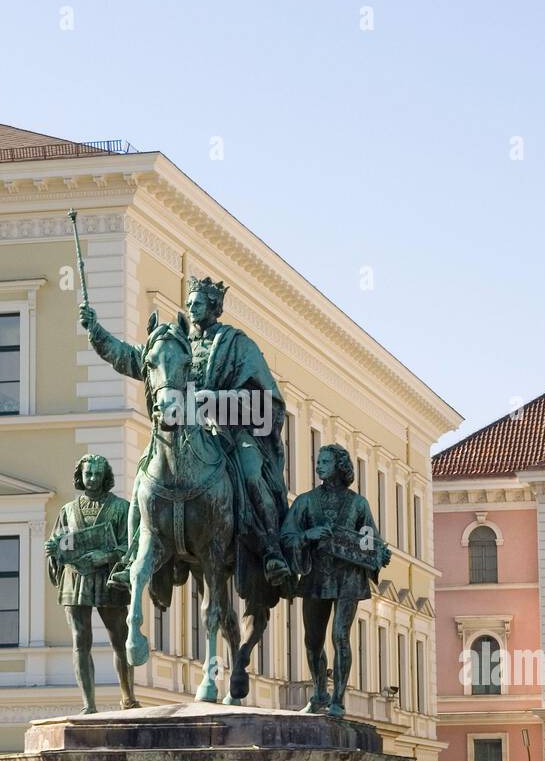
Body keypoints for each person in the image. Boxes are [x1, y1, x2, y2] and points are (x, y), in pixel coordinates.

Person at [79, 276, 293, 600]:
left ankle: (270, 549)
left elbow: (267, 402)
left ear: (214, 307)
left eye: (199, 303)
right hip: (180, 433)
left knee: (251, 475)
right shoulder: (174, 344)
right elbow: (129, 357)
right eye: (190, 303)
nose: (192, 308)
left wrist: (215, 399)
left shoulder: (238, 345)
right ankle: (132, 555)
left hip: (231, 432)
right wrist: (96, 331)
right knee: (141, 480)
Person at [281, 443, 391, 717]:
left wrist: (379, 553)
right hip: (315, 575)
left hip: (348, 578)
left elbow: (370, 541)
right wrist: (308, 535)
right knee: (312, 640)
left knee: (340, 636)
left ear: (340, 467)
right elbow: (286, 536)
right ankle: (319, 692)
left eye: (326, 461)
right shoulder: (305, 501)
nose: (319, 466)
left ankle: (338, 700)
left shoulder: (358, 504)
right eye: (318, 461)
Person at [44, 454, 139, 713]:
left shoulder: (122, 508)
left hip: (109, 578)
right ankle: (89, 704)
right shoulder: (67, 511)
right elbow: (60, 543)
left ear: (105, 476)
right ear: (81, 476)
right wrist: (54, 551)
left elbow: (131, 546)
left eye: (97, 474)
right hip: (75, 579)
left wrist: (106, 556)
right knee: (80, 640)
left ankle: (128, 698)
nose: (93, 479)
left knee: (119, 638)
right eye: (89, 474)